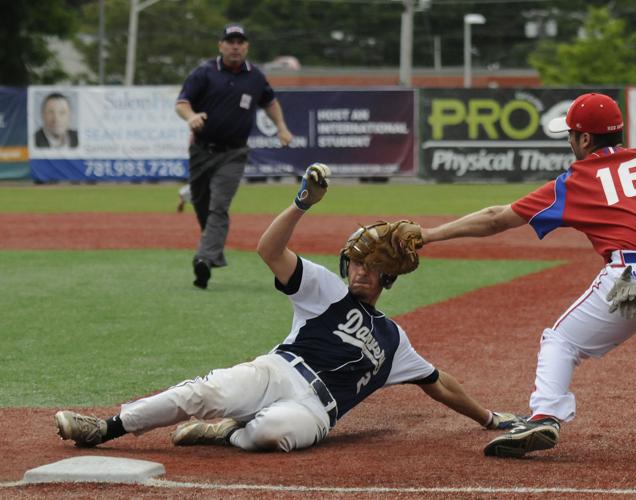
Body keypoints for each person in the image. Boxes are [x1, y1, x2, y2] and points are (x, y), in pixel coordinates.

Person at [54, 163, 521, 452]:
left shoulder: (395, 341)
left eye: (371, 267)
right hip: (279, 370)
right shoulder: (324, 290)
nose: (359, 272)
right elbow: (269, 251)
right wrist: (301, 204)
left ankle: (228, 433)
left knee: (270, 435)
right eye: (355, 263)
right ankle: (106, 426)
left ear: (388, 277)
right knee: (202, 394)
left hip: (317, 411)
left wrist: (488, 417)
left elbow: (440, 385)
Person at [417, 93, 636, 458]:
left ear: (585, 140)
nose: (570, 142)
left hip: (635, 278)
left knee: (561, 341)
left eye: (571, 135)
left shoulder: (576, 180)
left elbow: (497, 217)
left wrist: (430, 235)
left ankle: (545, 413)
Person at [176, 23, 293, 289]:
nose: (236, 46)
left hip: (235, 153)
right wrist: (191, 116)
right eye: (230, 41)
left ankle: (204, 259)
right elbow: (182, 103)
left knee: (219, 205)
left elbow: (270, 102)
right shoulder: (204, 73)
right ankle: (212, 250)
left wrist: (282, 128)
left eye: (240, 41)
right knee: (202, 204)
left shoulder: (255, 77)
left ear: (247, 46)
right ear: (221, 46)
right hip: (202, 151)